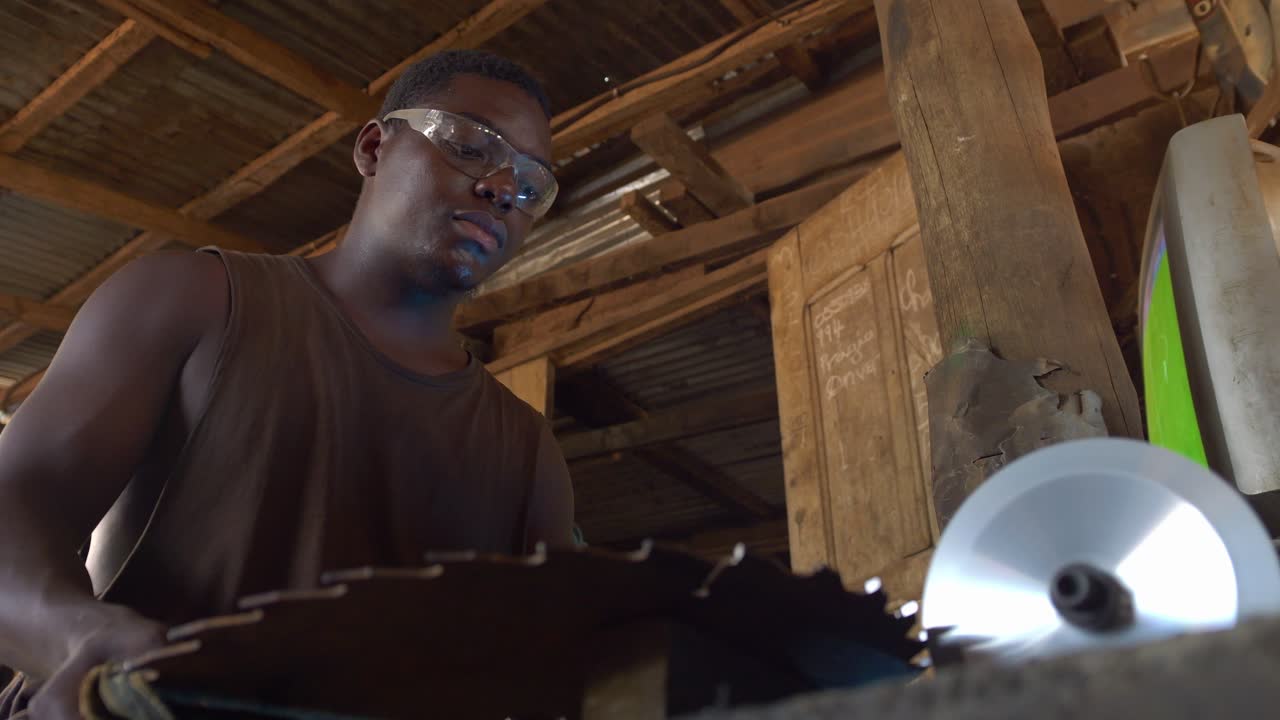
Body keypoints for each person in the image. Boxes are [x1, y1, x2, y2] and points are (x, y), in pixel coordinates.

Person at [0, 50, 574, 719]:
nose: (503, 186)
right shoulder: (192, 298)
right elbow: (17, 506)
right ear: (372, 147)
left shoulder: (528, 452)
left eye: (531, 187)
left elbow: (554, 664)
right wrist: (87, 643)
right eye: (470, 145)